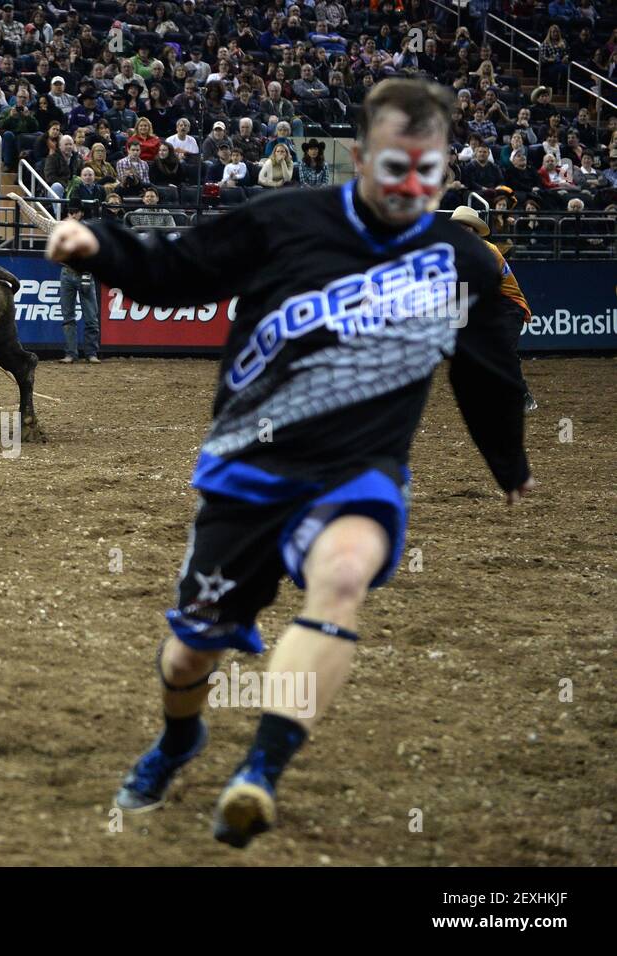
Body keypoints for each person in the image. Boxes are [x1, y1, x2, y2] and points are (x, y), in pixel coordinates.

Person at [45, 79, 533, 849]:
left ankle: (259, 777)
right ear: (362, 158)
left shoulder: (459, 260)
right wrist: (100, 248)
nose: (412, 186)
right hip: (248, 468)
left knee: (344, 578)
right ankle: (179, 742)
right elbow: (180, 271)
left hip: (358, 470)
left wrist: (508, 460)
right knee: (189, 652)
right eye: (396, 167)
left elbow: (486, 366)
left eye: (429, 171)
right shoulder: (285, 221)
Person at [449, 206, 538, 412]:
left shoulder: (487, 251)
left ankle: (520, 395)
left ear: (473, 230)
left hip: (507, 305)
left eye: (465, 227)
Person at [56, 211, 100, 364]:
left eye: (75, 212)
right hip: (68, 273)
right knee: (69, 316)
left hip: (82, 273)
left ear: (81, 214)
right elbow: (40, 221)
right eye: (70, 213)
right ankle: (73, 353)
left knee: (90, 317)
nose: (73, 216)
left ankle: (90, 353)